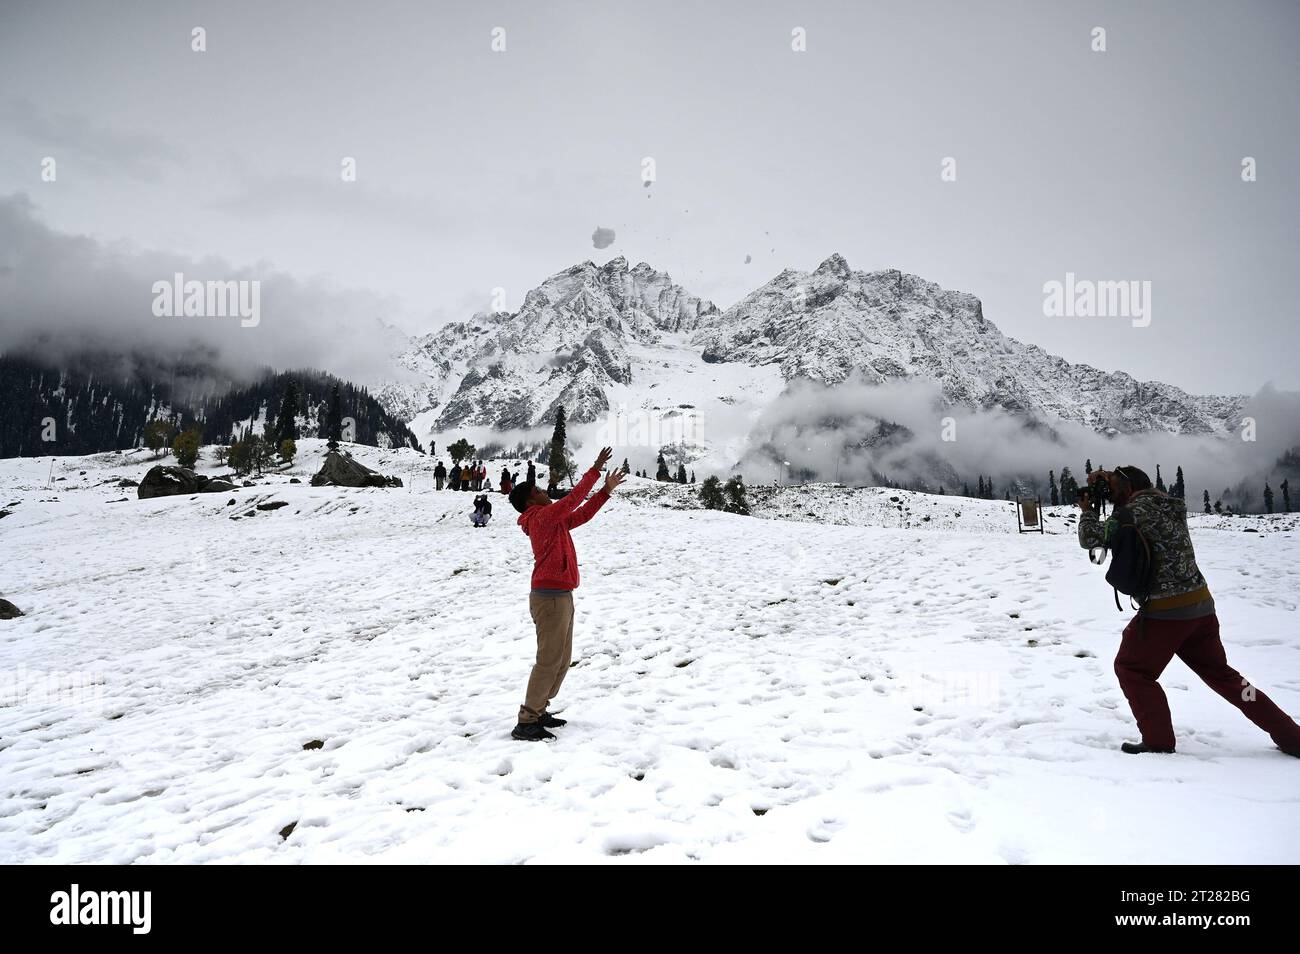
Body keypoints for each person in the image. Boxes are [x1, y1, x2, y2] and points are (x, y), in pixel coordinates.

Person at [1079, 466, 1300, 757]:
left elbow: (1091, 539)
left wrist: (1087, 509)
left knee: (1132, 668)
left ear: (1129, 489)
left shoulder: (1128, 515)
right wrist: (1113, 484)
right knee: (1223, 676)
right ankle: (1292, 736)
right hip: (1201, 606)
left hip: (1165, 612)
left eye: (1115, 487)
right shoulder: (1173, 506)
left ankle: (1158, 740)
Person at [508, 447, 624, 741]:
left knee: (561, 658)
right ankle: (527, 720)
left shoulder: (551, 519)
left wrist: (604, 493)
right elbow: (573, 501)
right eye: (539, 489)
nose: (545, 491)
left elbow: (582, 514)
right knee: (549, 660)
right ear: (530, 499)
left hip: (560, 595)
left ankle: (540, 708)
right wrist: (595, 469)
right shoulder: (542, 517)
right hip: (550, 598)